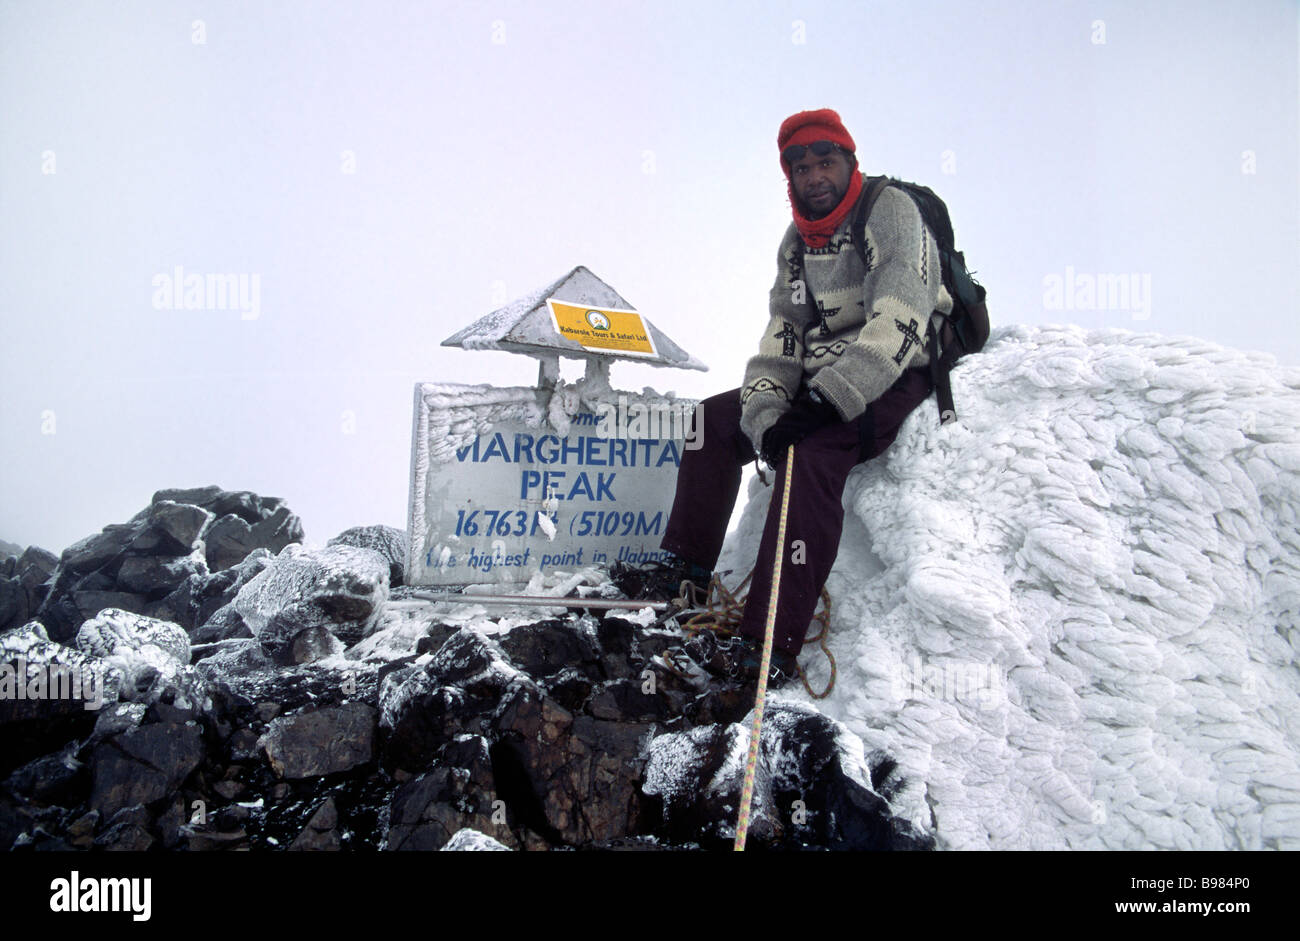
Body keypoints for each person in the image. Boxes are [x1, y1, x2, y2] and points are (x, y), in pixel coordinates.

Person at [615, 108, 950, 688]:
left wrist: (825, 401)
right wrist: (767, 412)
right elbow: (785, 331)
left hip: (897, 365)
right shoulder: (797, 243)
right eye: (801, 167)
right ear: (788, 177)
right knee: (710, 423)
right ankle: (683, 570)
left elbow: (900, 319)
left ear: (850, 163)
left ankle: (766, 642)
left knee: (811, 456)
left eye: (826, 162)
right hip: (825, 366)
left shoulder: (890, 211)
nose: (815, 176)